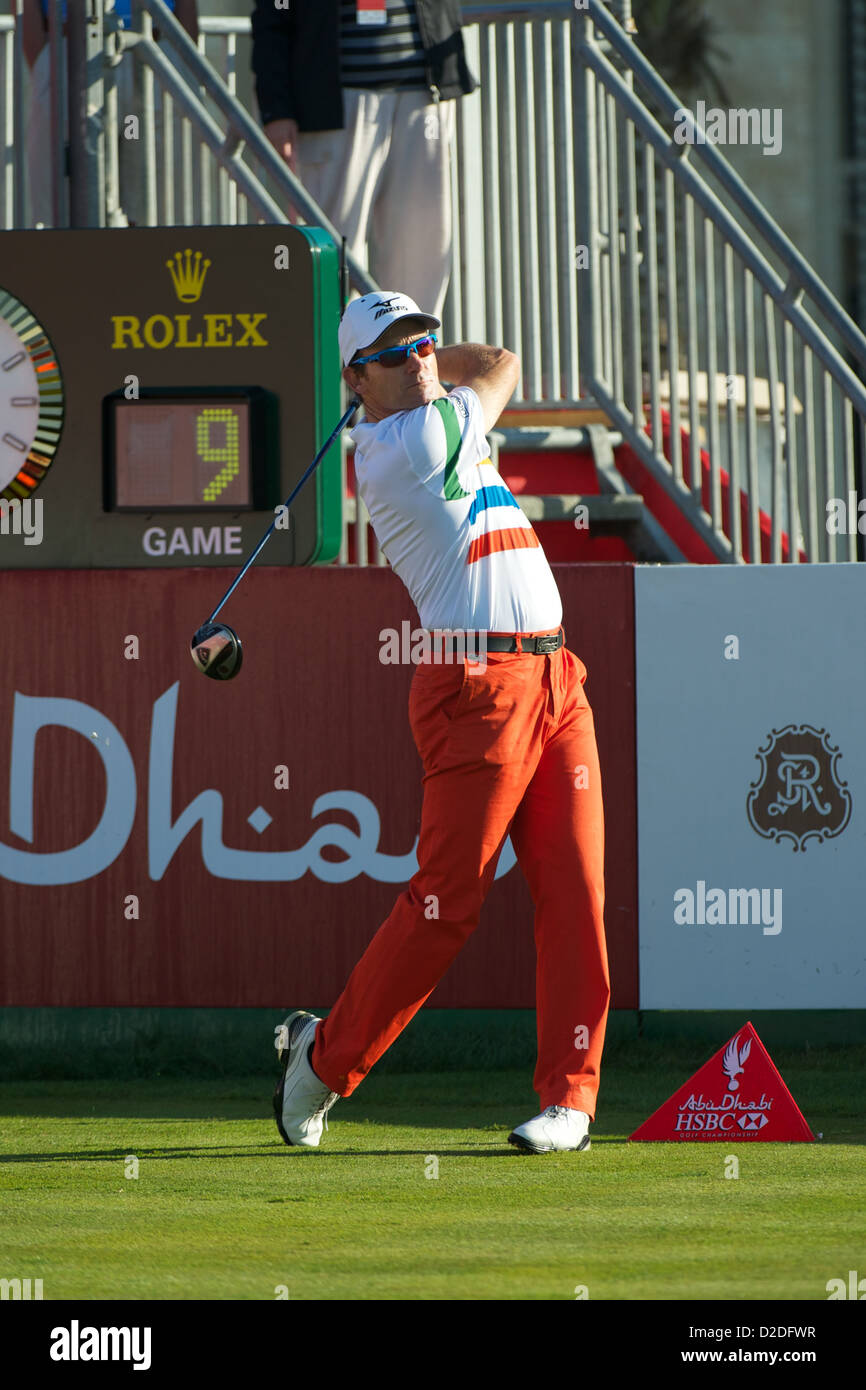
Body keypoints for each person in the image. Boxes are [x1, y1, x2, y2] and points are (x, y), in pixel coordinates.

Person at [273, 291, 611, 1156]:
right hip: (477, 687)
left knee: (576, 889)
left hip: (555, 676)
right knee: (444, 903)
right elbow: (499, 363)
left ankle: (569, 1100)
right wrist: (433, 369)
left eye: (424, 342)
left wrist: (408, 360)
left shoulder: (426, 414)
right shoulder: (406, 445)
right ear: (356, 382)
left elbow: (475, 369)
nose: (420, 358)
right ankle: (322, 1061)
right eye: (393, 353)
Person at [250, 0, 477, 322]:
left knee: (422, 253)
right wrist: (277, 109)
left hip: (424, 94)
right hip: (335, 101)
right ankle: (334, 352)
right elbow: (272, 17)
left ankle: (413, 349)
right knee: (334, 250)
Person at [21, 0, 199, 227]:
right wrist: (41, 59)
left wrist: (183, 58)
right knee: (69, 200)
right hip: (70, 53)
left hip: (151, 52)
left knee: (152, 192)